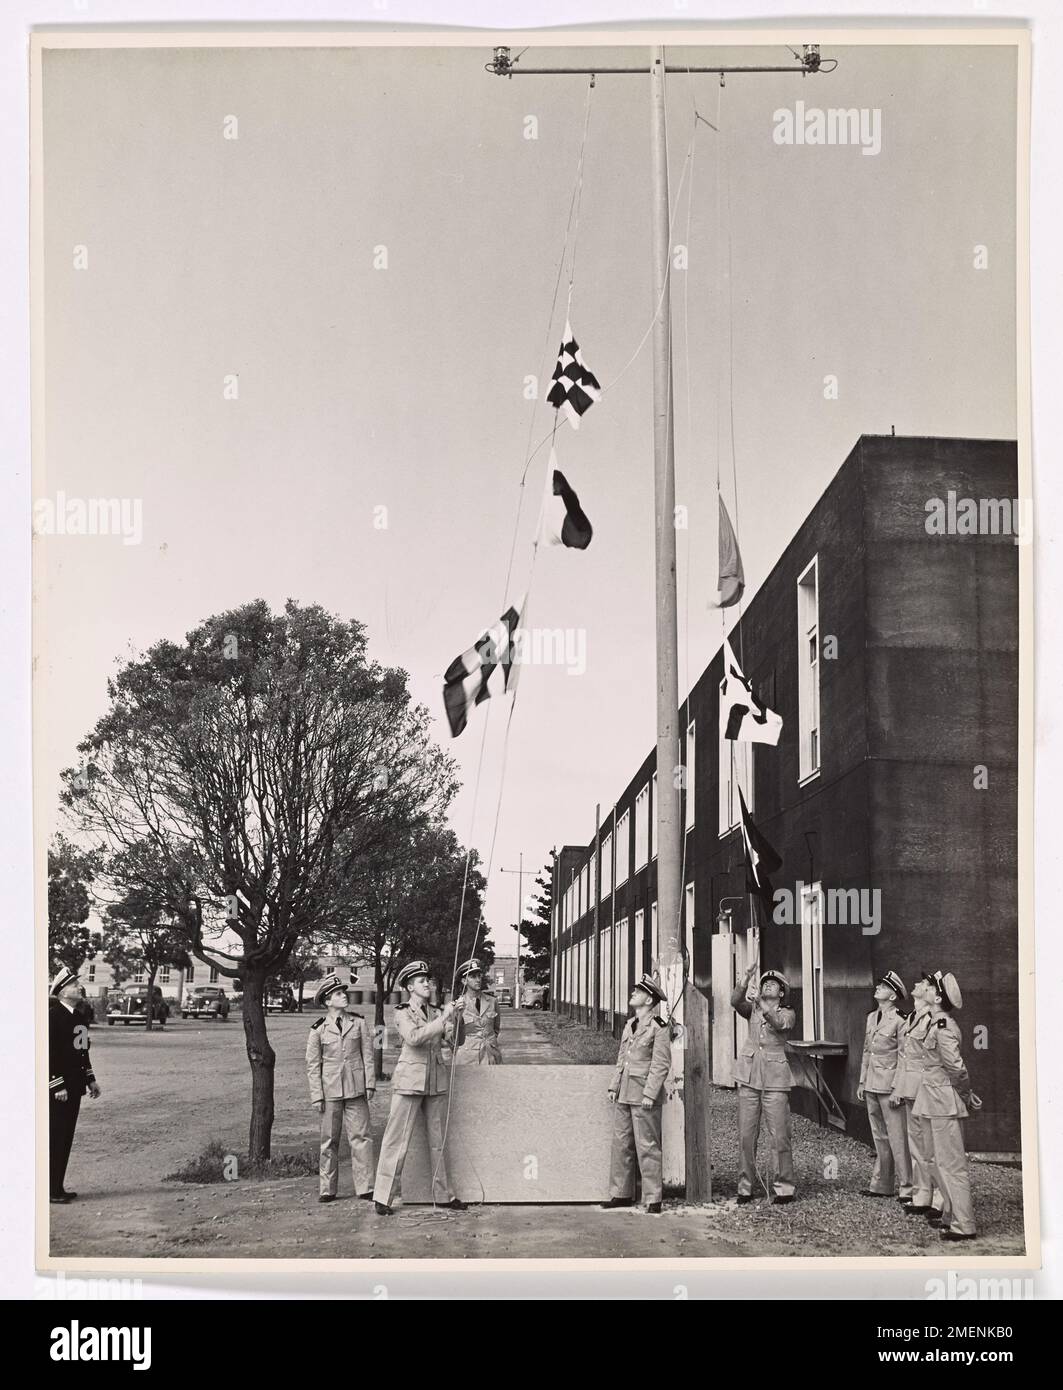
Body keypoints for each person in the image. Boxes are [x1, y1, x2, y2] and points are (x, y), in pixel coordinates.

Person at [373, 960, 467, 1216]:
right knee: (396, 1140)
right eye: (421, 981)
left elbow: (455, 1041)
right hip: (410, 1081)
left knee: (439, 1142)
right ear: (409, 987)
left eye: (428, 980)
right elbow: (414, 1038)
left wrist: (458, 1017)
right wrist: (446, 1016)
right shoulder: (402, 1012)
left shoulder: (437, 1011)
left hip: (434, 1080)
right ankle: (383, 1196)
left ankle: (444, 1195)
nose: (428, 984)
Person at [912, 970, 980, 1241]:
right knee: (934, 1161)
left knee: (951, 1165)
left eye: (930, 987)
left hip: (943, 1101)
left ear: (938, 997)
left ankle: (965, 1225)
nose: (926, 988)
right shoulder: (933, 1022)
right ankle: (951, 1215)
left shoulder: (943, 1027)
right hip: (932, 1099)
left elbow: (955, 1067)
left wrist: (965, 1095)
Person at [601, 974, 672, 1215]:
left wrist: (651, 1094)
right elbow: (622, 1058)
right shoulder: (630, 1024)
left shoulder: (659, 1027)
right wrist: (614, 1085)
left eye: (638, 991)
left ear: (650, 1000)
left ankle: (653, 1198)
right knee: (621, 1144)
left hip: (643, 1094)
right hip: (624, 1092)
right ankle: (621, 1193)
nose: (633, 993)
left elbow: (660, 1064)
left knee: (647, 1145)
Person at [306, 972, 376, 1203]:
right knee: (329, 1140)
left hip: (356, 1088)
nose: (344, 996)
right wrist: (317, 1096)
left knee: (361, 1137)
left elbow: (368, 1055)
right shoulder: (318, 1029)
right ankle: (327, 1189)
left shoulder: (358, 1022)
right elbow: (313, 1065)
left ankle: (365, 1186)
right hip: (330, 1091)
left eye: (343, 992)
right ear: (328, 1001)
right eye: (338, 993)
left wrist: (370, 1083)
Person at [730, 963, 796, 1205]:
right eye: (765, 982)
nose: (768, 984)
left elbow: (780, 1023)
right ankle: (745, 1187)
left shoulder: (787, 1011)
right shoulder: (753, 1009)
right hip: (749, 1077)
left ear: (781, 993)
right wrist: (745, 978)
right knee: (747, 1135)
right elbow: (735, 1002)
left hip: (775, 1079)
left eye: (774, 984)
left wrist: (762, 1004)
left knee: (779, 1135)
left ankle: (784, 1187)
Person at [888, 972, 945, 1219]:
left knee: (932, 1147)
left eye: (923, 984)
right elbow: (904, 1058)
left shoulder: (933, 1020)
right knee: (917, 1147)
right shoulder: (912, 1017)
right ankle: (922, 1195)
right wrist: (899, 1088)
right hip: (911, 1090)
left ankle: (941, 1199)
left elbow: (936, 1060)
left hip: (927, 1090)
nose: (916, 984)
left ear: (931, 992)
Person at [857, 969, 912, 1201]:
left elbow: (904, 1057)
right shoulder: (872, 1017)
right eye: (879, 985)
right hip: (871, 1083)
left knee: (898, 1138)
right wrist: (861, 1081)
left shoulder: (900, 1020)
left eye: (883, 987)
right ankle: (882, 1185)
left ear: (892, 996)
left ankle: (908, 1188)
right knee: (879, 1136)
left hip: (889, 1086)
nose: (877, 988)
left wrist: (899, 1088)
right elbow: (867, 1052)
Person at [49, 966, 101, 1204]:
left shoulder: (79, 1018)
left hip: (75, 1086)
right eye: (72, 985)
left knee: (65, 1136)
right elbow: (48, 1054)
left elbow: (82, 1051)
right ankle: (51, 1189)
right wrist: (56, 1084)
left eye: (77, 984)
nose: (78, 988)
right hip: (59, 1090)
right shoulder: (52, 1016)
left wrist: (90, 1079)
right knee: (55, 1137)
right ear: (61, 991)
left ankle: (57, 1186)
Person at [453, 957, 502, 1065]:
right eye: (473, 977)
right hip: (468, 1058)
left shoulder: (492, 1002)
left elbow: (495, 1029)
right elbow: (453, 1036)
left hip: (491, 1057)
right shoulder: (457, 1005)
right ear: (464, 981)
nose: (478, 979)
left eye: (479, 976)